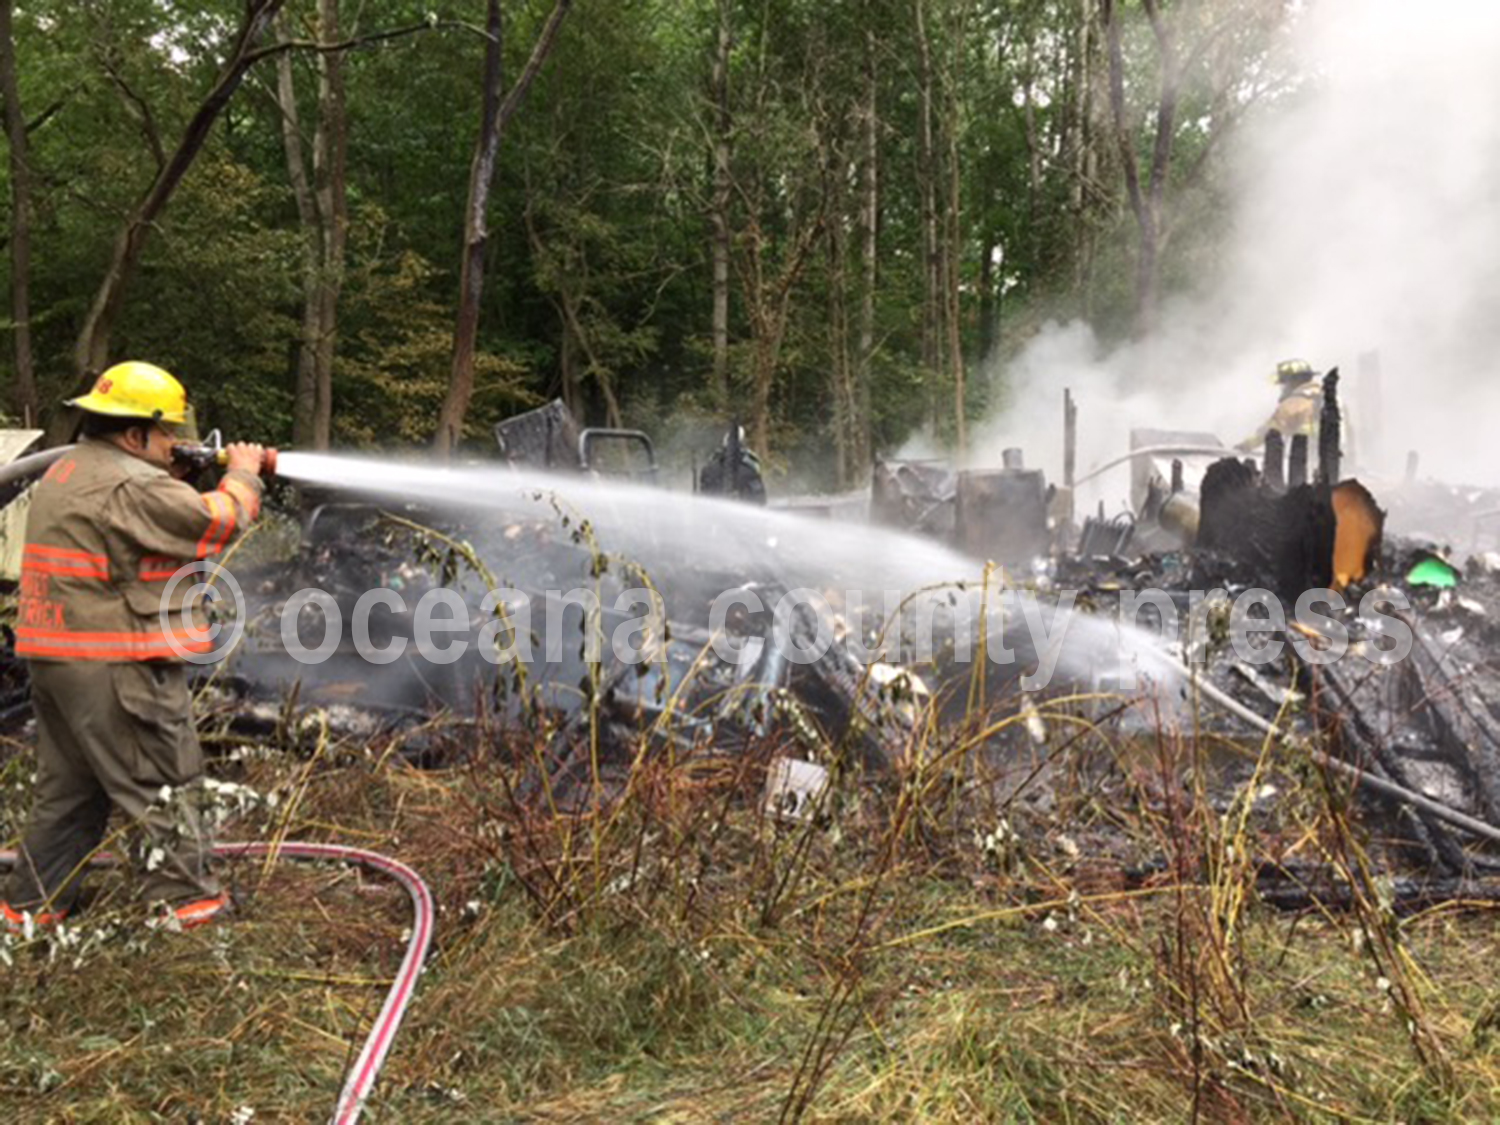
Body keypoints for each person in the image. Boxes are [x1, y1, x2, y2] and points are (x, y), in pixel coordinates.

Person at [2, 361, 264, 934]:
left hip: (58, 659)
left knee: (69, 793)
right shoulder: (130, 483)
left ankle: (31, 909)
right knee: (163, 782)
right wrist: (243, 473)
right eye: (169, 432)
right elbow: (217, 523)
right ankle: (191, 911)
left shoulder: (73, 469)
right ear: (135, 433)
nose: (179, 443)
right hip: (115, 663)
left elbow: (140, 540)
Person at [1236, 358, 1324, 453]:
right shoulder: (1329, 399)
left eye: (1284, 384)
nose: (1283, 388)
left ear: (1293, 381)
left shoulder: (1292, 404)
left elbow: (1268, 431)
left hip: (1302, 459)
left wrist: (1245, 446)